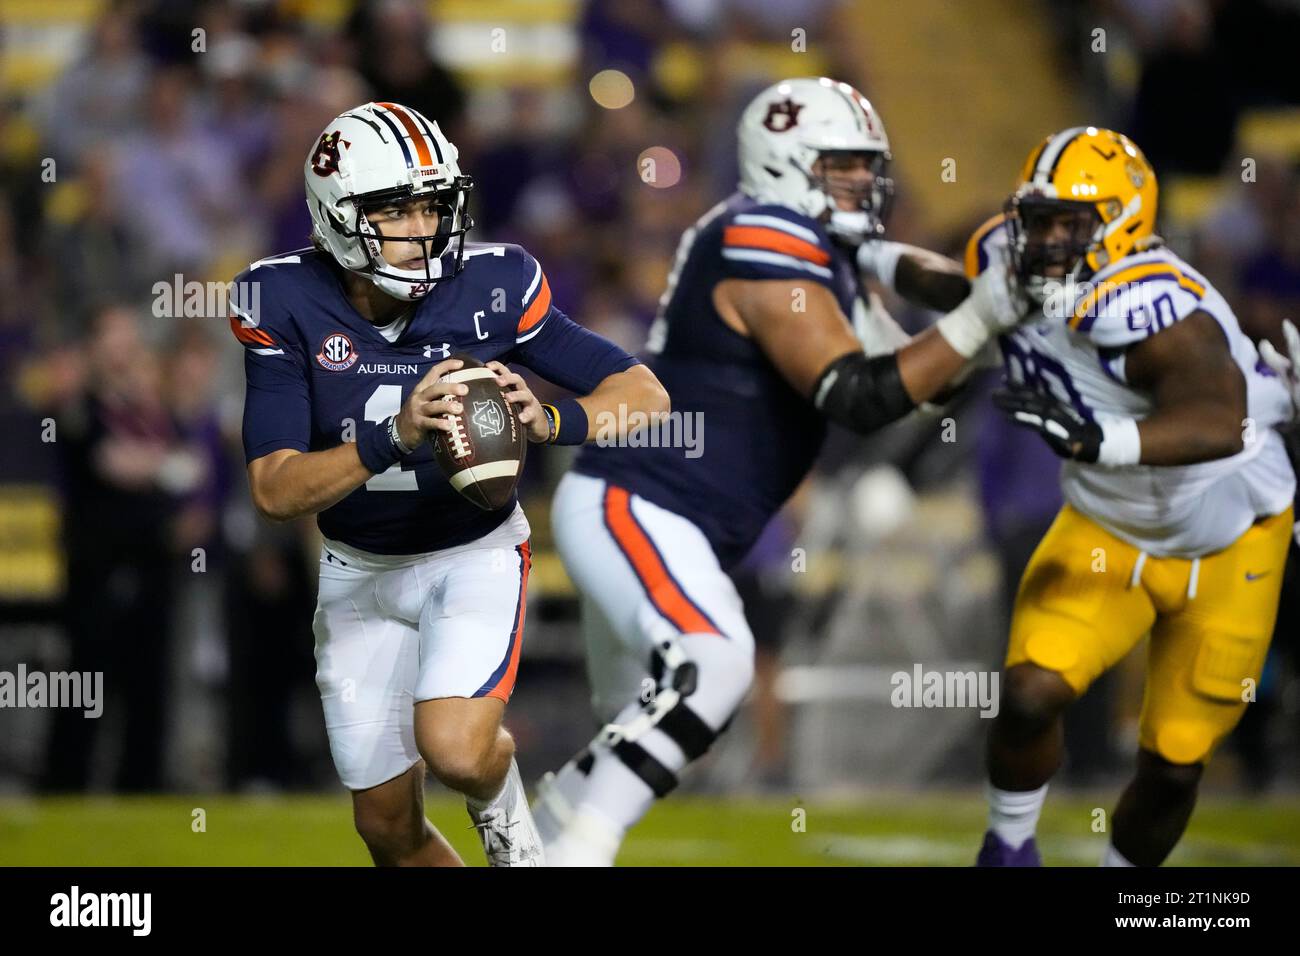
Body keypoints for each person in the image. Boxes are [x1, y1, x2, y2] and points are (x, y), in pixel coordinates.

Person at [534, 77, 1029, 865]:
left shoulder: (814, 250)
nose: (865, 184)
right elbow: (859, 394)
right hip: (638, 497)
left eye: (869, 168)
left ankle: (545, 837)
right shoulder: (762, 239)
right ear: (783, 165)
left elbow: (914, 375)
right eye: (843, 167)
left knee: (647, 722)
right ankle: (574, 858)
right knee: (715, 664)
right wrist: (982, 310)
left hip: (672, 516)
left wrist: (987, 309)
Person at [230, 101, 668, 866]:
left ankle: (520, 850)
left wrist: (554, 421)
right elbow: (274, 489)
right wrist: (393, 435)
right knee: (387, 830)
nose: (423, 227)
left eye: (432, 206)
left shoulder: (493, 283)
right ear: (338, 217)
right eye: (396, 210)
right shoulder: (281, 300)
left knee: (459, 751)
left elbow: (644, 394)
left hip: (473, 556)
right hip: (356, 572)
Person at [972, 127, 1296, 866]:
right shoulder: (1011, 262)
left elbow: (1222, 420)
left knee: (1176, 762)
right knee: (1027, 695)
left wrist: (1099, 440)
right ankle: (1007, 849)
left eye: (1069, 222)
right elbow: (959, 284)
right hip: (1111, 525)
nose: (1046, 239)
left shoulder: (1151, 307)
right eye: (1039, 219)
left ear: (1122, 221)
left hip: (1231, 536)